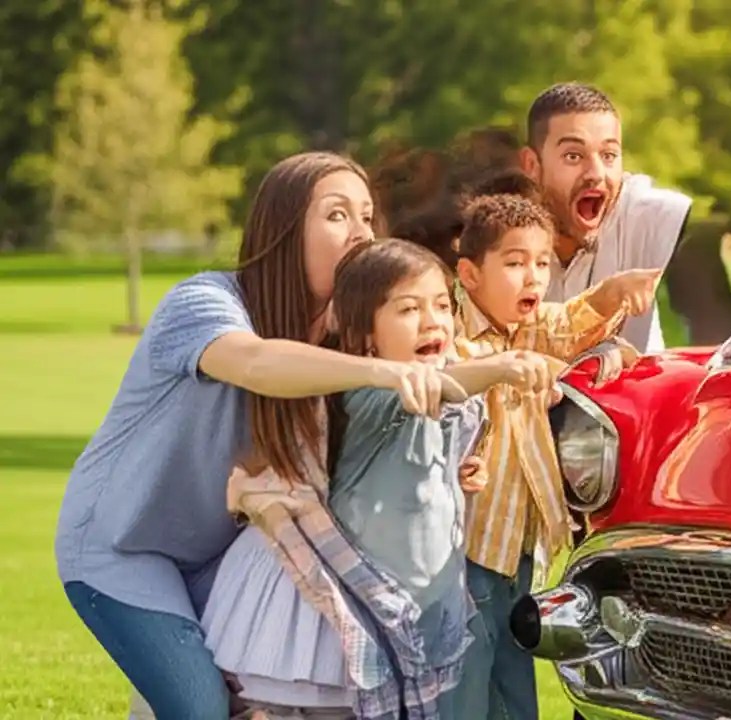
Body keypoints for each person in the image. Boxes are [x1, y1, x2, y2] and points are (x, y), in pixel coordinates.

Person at [54, 151, 455, 720]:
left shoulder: (341, 337)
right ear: (286, 230)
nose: (361, 231)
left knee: (260, 700)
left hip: (225, 553)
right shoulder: (204, 303)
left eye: (367, 215)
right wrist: (379, 371)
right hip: (120, 548)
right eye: (337, 214)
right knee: (200, 707)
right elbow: (257, 364)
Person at [200, 239, 553, 720]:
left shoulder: (438, 392)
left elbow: (445, 407)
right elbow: (447, 386)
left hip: (418, 610)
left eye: (442, 306)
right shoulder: (370, 394)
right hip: (358, 612)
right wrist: (499, 368)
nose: (433, 321)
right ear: (365, 337)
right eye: (409, 309)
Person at [440, 193, 660, 720]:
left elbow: (570, 322)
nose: (533, 278)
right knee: (467, 675)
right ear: (469, 275)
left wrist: (612, 296)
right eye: (514, 264)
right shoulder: (455, 341)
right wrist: (536, 365)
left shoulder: (531, 327)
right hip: (466, 548)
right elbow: (462, 376)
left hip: (519, 546)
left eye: (542, 263)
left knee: (517, 670)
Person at [520, 82, 694, 354]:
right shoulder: (501, 235)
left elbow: (697, 230)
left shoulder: (641, 214)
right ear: (532, 165)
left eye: (609, 155)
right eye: (573, 156)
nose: (597, 173)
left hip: (637, 394)